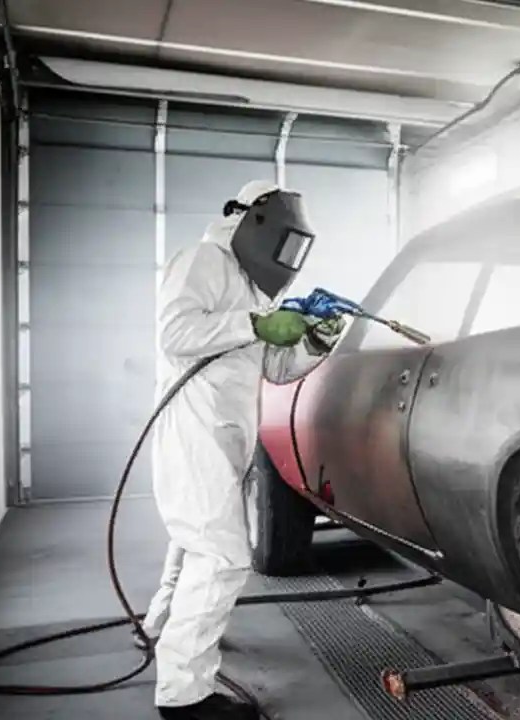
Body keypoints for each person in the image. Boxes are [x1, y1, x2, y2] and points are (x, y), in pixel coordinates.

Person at [145, 180, 342, 719]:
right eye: (285, 242)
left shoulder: (254, 289)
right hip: (194, 427)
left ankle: (162, 626)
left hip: (226, 434)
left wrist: (312, 342)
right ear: (255, 222)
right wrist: (255, 324)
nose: (287, 256)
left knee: (194, 541)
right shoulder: (204, 261)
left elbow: (273, 367)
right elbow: (174, 332)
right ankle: (183, 696)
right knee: (223, 555)